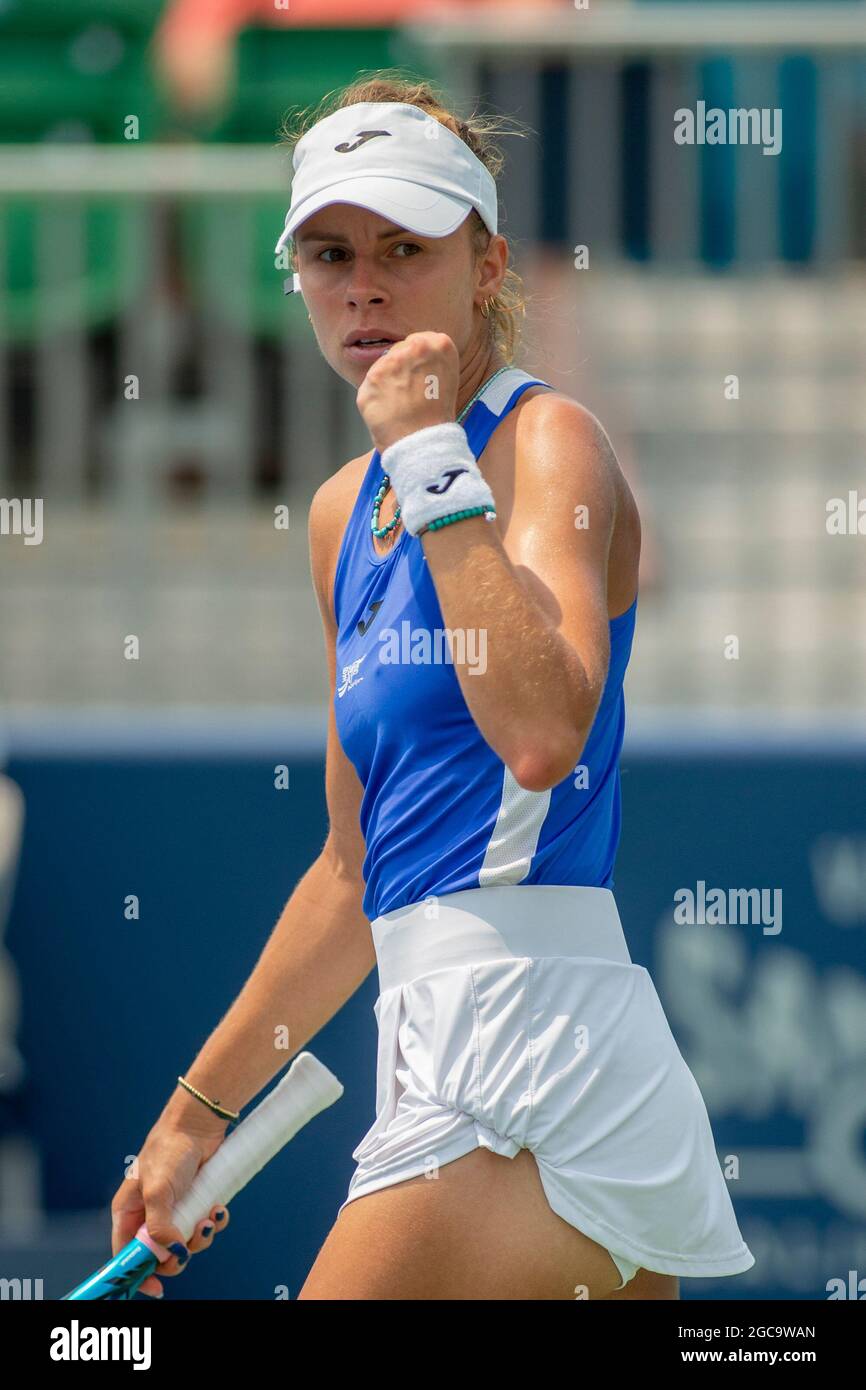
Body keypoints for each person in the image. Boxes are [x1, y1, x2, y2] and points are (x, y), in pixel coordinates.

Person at [110, 75, 755, 1300]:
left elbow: (540, 732)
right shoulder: (338, 519)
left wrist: (426, 453)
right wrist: (193, 1114)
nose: (361, 283)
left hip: (526, 1061)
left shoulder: (547, 441)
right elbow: (353, 874)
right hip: (453, 1054)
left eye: (405, 248)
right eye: (329, 252)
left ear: (485, 265)